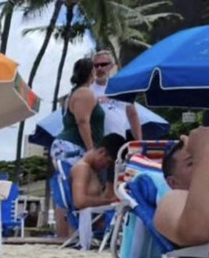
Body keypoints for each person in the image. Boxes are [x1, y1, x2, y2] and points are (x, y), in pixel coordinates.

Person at [50, 56, 105, 238]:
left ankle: (67, 234)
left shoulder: (75, 93)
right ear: (91, 73)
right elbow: (83, 121)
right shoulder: (84, 93)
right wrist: (91, 150)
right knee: (78, 190)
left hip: (66, 147)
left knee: (67, 191)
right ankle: (73, 233)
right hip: (74, 146)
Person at [155, 126, 209, 246]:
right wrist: (203, 153)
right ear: (173, 182)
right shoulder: (173, 199)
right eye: (192, 162)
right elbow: (199, 230)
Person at [68, 133, 126, 247]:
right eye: (108, 162)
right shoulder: (82, 168)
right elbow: (80, 201)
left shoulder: (92, 170)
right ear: (102, 152)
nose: (106, 166)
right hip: (88, 220)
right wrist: (109, 201)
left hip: (95, 219)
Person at [90, 50, 141, 142]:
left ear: (111, 66)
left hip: (118, 142)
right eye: (96, 65)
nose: (99, 68)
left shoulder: (122, 88)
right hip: (96, 143)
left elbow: (133, 115)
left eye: (103, 64)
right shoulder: (87, 91)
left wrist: (139, 142)